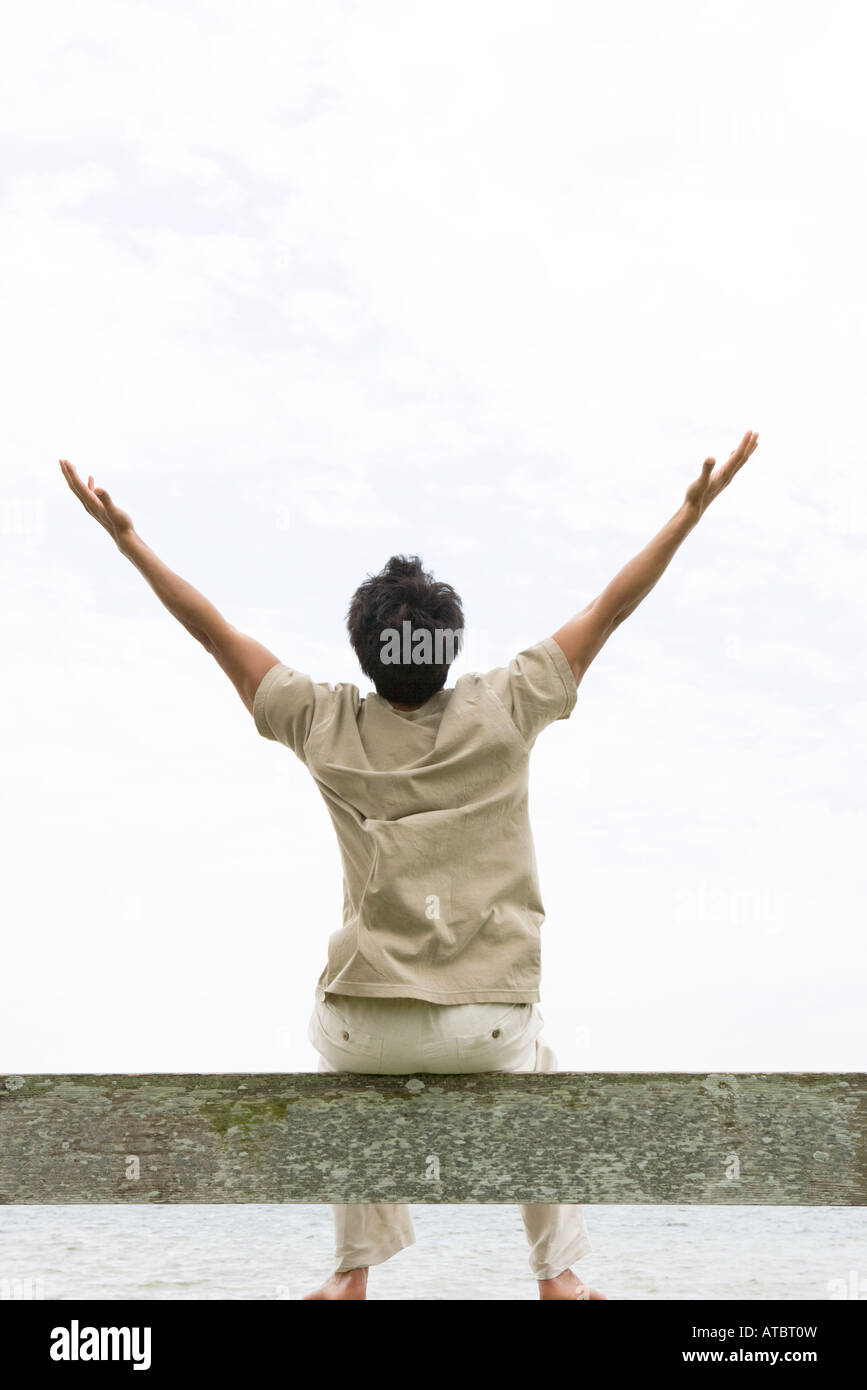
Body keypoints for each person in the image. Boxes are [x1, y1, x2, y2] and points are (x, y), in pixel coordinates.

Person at [59, 428, 759, 1300]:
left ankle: (352, 1274)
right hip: (489, 1026)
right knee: (538, 1067)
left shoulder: (320, 720)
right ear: (448, 649)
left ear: (362, 653)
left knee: (341, 1051)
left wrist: (128, 541)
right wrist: (687, 515)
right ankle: (559, 1276)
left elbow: (215, 634)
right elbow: (609, 608)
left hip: (365, 1029)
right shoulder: (509, 703)